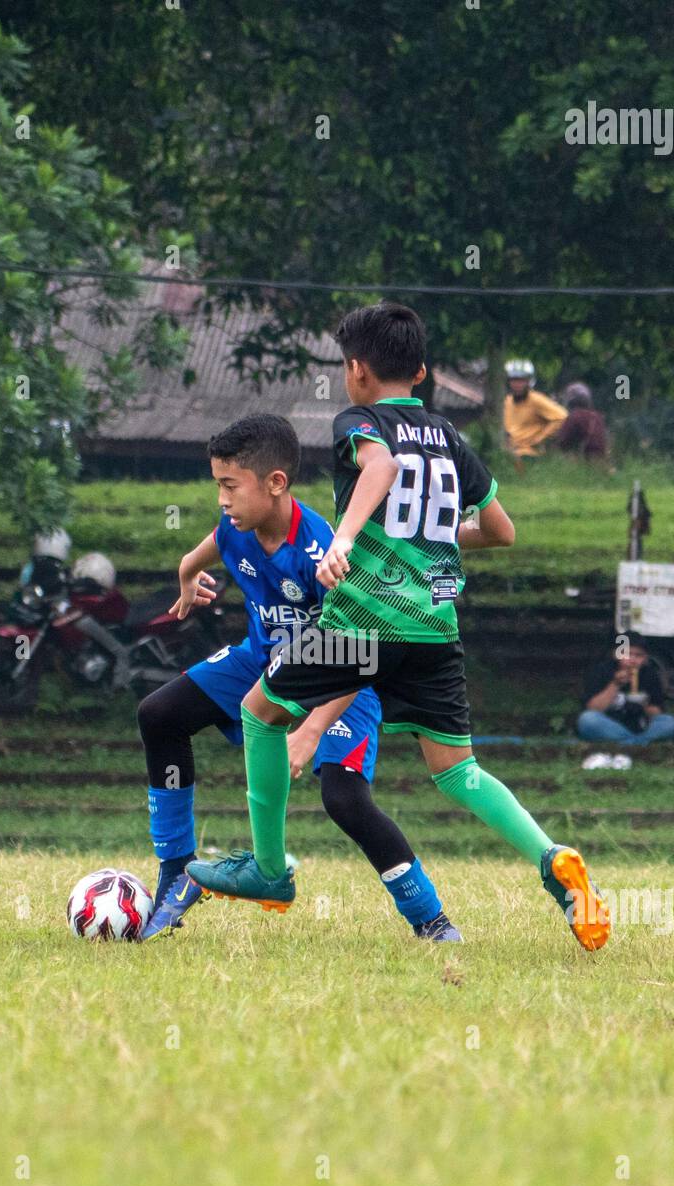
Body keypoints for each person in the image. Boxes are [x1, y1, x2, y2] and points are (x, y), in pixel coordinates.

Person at [187, 304, 611, 952]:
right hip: (432, 632)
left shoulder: (359, 422)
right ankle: (552, 860)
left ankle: (269, 872)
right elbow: (500, 530)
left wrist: (346, 539)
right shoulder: (450, 438)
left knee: (257, 712)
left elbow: (380, 467)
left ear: (356, 370)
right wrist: (428, 544)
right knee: (457, 771)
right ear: (419, 370)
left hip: (360, 624)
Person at [137, 413, 462, 942]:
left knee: (345, 800)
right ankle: (177, 872)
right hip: (260, 663)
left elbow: (363, 647)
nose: (221, 499)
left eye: (229, 485)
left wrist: (311, 728)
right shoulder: (235, 527)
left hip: (339, 681)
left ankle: (431, 919)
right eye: (216, 485)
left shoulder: (321, 552)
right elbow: (199, 553)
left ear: (276, 483)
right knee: (159, 715)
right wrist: (187, 575)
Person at [577, 633, 674, 745]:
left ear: (645, 658)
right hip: (609, 725)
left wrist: (644, 705)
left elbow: (657, 712)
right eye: (627, 654)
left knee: (669, 722)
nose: (632, 660)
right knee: (587, 720)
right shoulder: (600, 671)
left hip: (640, 726)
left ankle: (629, 743)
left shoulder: (650, 674)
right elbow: (593, 708)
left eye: (638, 655)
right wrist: (615, 684)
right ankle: (640, 743)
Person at [502, 358, 567, 470]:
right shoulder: (507, 402)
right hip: (508, 451)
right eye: (514, 380)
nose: (517, 384)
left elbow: (562, 417)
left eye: (521, 380)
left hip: (529, 453)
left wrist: (540, 438)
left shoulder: (536, 400)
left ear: (529, 381)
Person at [553, 382, 609, 461]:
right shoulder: (597, 416)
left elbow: (562, 442)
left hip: (584, 461)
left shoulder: (574, 416)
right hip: (600, 462)